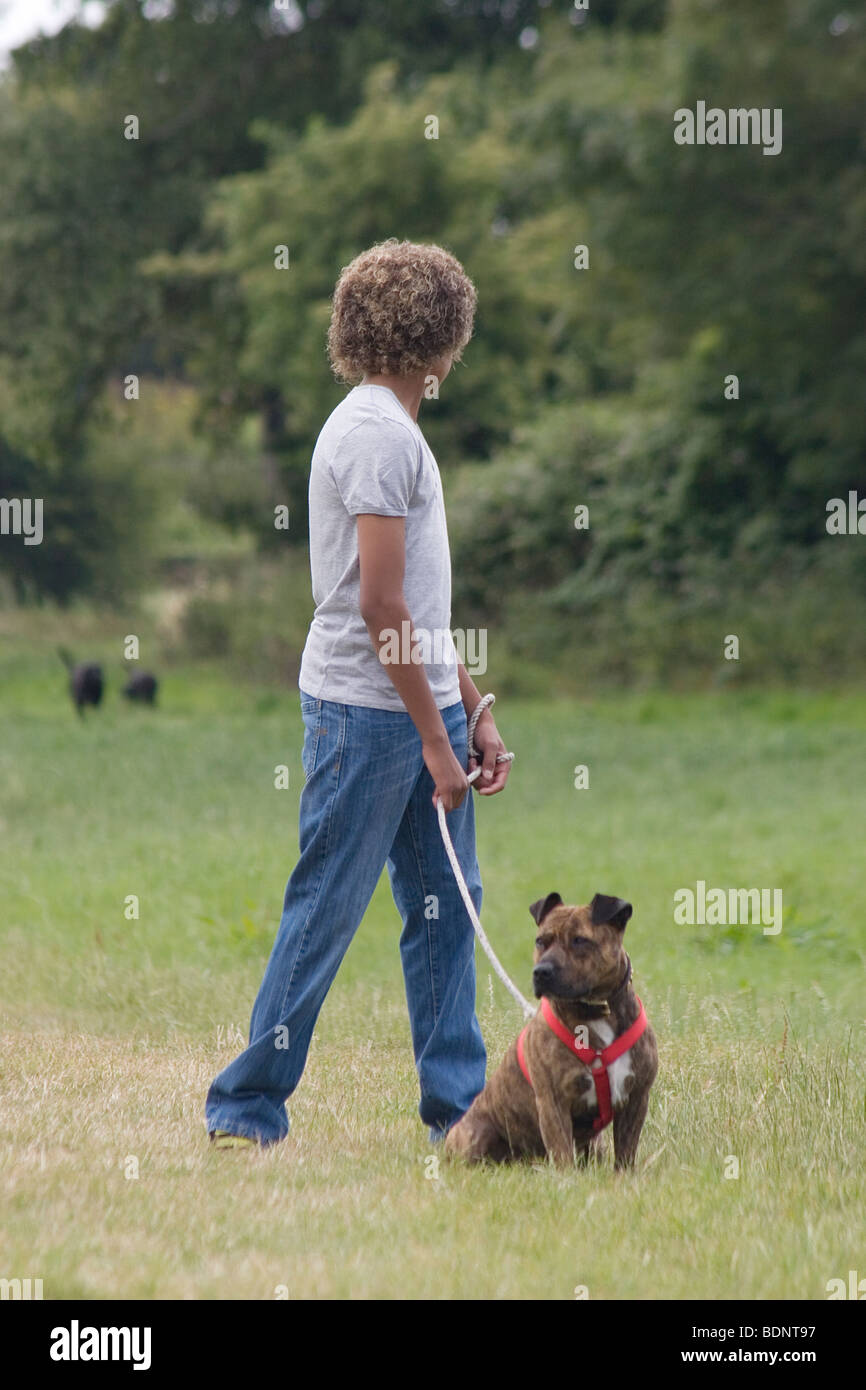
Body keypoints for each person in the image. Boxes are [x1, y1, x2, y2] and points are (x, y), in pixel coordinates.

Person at [205, 238, 512, 1150]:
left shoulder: (389, 428)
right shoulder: (377, 436)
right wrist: (432, 737)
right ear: (442, 336)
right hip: (366, 717)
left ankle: (460, 1114)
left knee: (446, 910)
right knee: (327, 907)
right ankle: (245, 1107)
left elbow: (414, 604)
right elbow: (378, 605)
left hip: (419, 710)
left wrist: (471, 710)